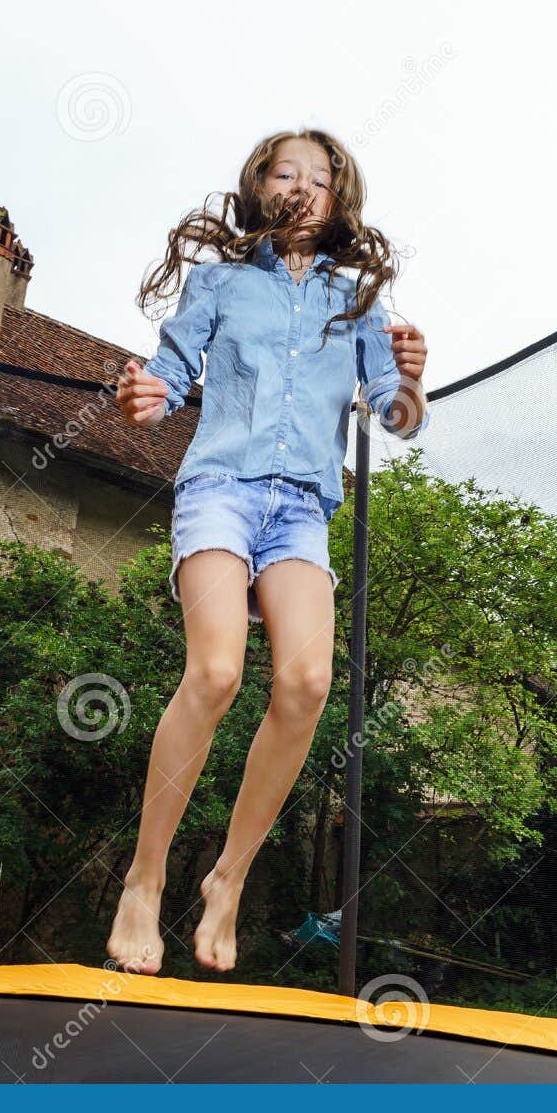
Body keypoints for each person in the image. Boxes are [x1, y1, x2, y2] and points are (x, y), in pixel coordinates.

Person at [107, 128, 429, 974]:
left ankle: (230, 879)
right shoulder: (217, 284)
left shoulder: (359, 302)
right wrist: (145, 394)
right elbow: (169, 375)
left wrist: (415, 383)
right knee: (215, 673)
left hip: (301, 514)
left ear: (336, 202)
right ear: (259, 188)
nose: (302, 185)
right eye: (285, 172)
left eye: (319, 178)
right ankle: (145, 879)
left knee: (307, 684)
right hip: (220, 490)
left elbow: (396, 416)